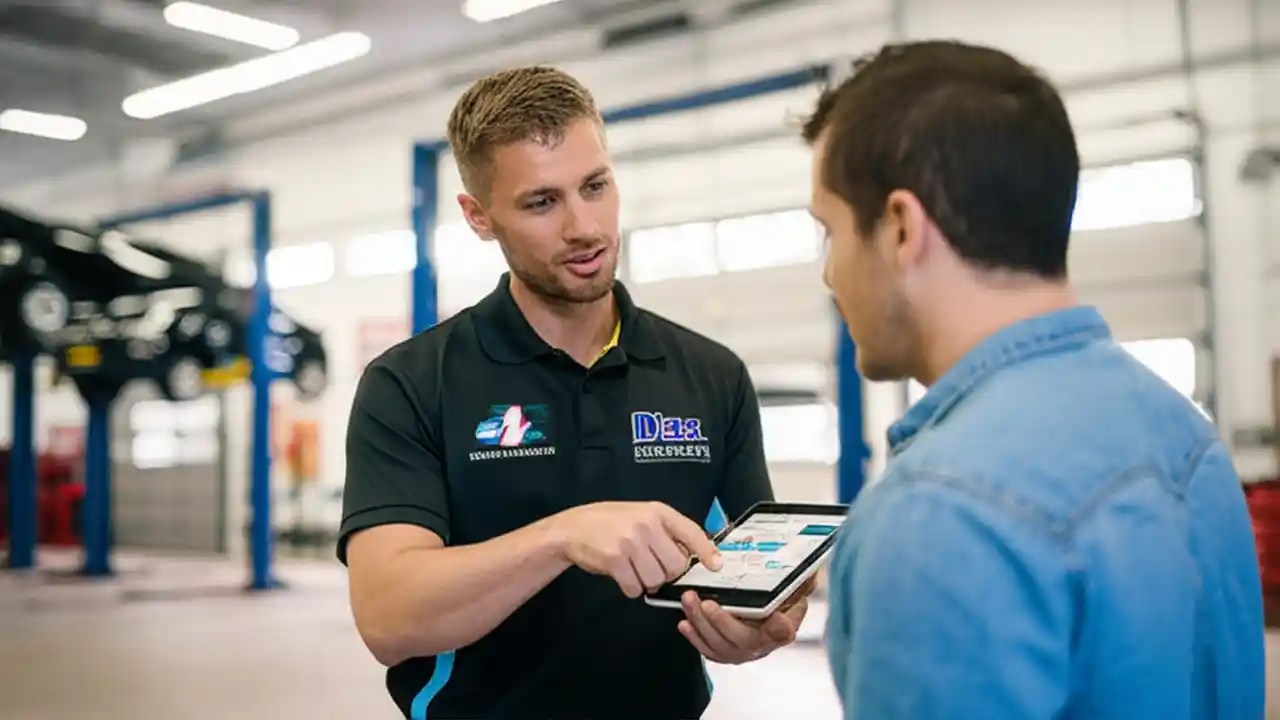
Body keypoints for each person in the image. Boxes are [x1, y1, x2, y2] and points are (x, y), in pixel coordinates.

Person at [802, 40, 1266, 718]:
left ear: (902, 227)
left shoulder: (934, 511)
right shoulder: (1189, 440)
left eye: (830, 232)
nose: (827, 272)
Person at [338, 65, 810, 720]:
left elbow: (760, 576)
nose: (584, 227)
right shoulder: (414, 383)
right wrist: (563, 537)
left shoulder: (710, 373)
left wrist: (756, 628)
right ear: (479, 217)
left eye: (596, 186)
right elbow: (389, 617)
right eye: (542, 202)